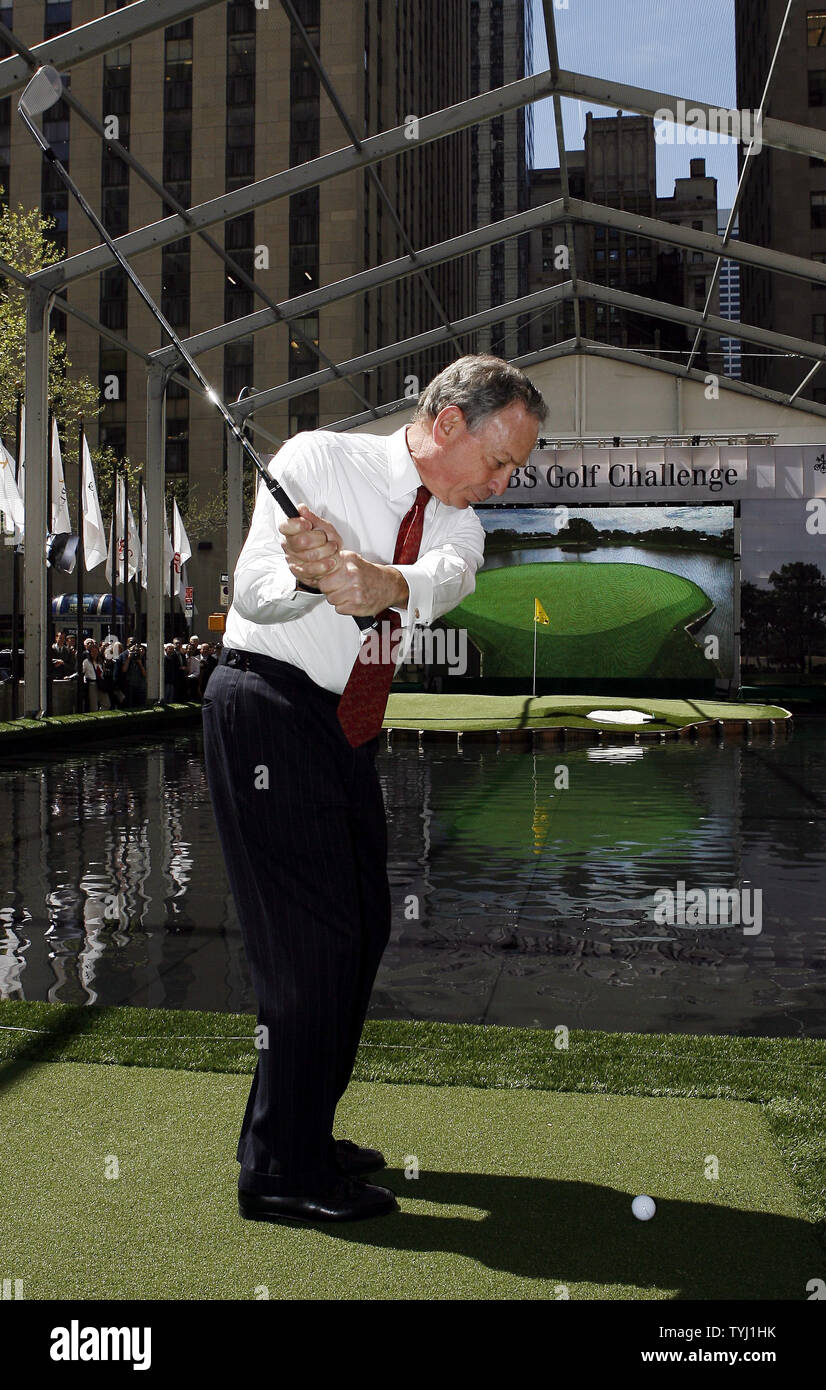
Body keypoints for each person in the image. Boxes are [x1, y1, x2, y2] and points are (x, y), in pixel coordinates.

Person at [202, 354, 546, 1227]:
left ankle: (297, 1129)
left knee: (359, 929)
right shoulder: (319, 459)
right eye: (502, 460)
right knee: (311, 944)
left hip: (344, 728)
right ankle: (281, 1173)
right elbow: (249, 592)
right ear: (448, 424)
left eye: (516, 471)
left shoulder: (458, 522)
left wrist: (381, 582)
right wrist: (307, 577)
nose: (504, 484)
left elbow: (438, 582)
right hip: (267, 705)